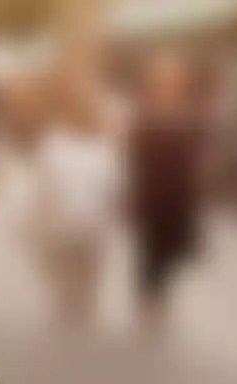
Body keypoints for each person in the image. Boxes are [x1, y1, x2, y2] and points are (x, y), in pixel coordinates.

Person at [30, 51, 122, 331]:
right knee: (70, 267)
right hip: (69, 220)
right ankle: (71, 302)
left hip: (91, 221)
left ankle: (79, 303)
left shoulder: (101, 146)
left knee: (86, 268)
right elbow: (47, 183)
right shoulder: (58, 144)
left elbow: (114, 183)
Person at [127, 51, 203, 331]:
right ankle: (150, 298)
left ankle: (160, 294)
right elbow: (133, 156)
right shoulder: (144, 113)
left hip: (178, 195)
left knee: (170, 249)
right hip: (151, 193)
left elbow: (195, 157)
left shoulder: (188, 114)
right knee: (149, 248)